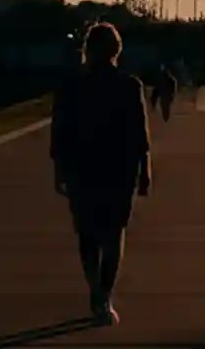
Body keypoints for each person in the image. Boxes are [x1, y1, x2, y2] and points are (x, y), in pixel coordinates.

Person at [50, 22, 152, 326]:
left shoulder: (71, 86)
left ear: (88, 50)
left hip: (83, 168)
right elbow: (139, 136)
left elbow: (60, 132)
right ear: (116, 51)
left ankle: (95, 288)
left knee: (88, 232)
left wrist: (59, 169)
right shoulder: (129, 85)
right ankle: (104, 295)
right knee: (113, 232)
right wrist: (145, 172)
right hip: (118, 170)